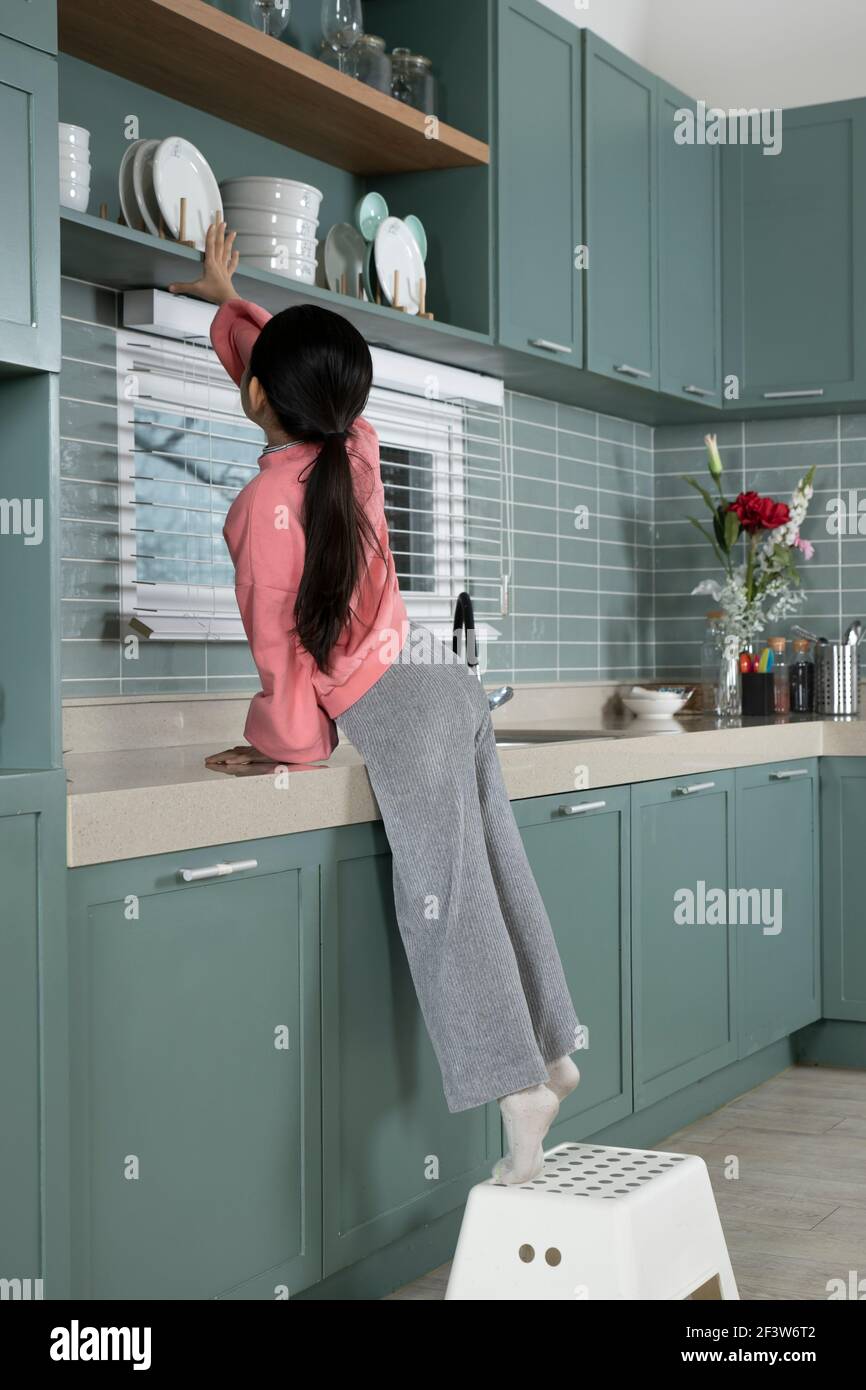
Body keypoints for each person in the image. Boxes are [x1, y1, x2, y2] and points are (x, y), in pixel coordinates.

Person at [169, 223, 581, 1184]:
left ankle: (517, 1088)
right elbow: (295, 377)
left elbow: (283, 664)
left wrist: (284, 749)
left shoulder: (260, 514)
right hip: (444, 687)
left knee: (448, 914)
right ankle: (553, 1045)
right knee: (495, 872)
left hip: (393, 709)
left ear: (259, 396)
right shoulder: (358, 445)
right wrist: (230, 307)